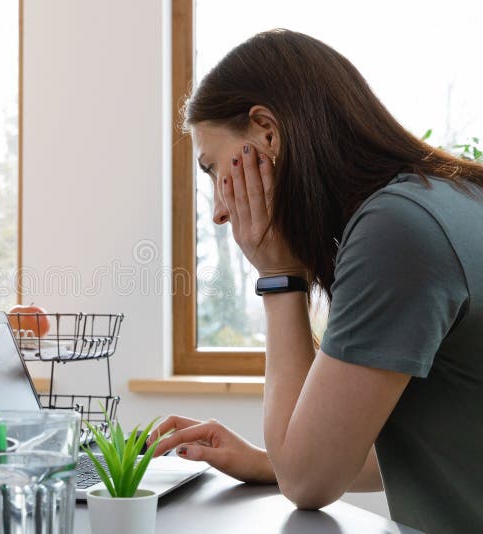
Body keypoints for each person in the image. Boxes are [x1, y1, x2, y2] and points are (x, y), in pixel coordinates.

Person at [146, 29, 483, 533]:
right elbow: (431, 444)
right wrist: (272, 461)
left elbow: (308, 483)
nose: (219, 209)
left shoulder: (397, 231)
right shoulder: (448, 199)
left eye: (214, 170)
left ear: (267, 133)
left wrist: (279, 278)